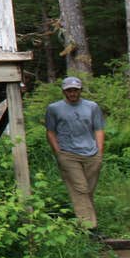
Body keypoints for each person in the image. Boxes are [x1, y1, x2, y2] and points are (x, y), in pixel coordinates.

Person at [45, 76, 105, 230]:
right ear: (64, 92)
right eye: (69, 90)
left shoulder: (92, 107)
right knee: (80, 189)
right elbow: (50, 132)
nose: (72, 93)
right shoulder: (54, 108)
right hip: (68, 154)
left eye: (75, 90)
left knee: (88, 190)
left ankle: (84, 222)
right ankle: (90, 228)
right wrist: (58, 152)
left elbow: (98, 129)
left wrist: (99, 152)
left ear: (80, 90)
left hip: (91, 153)